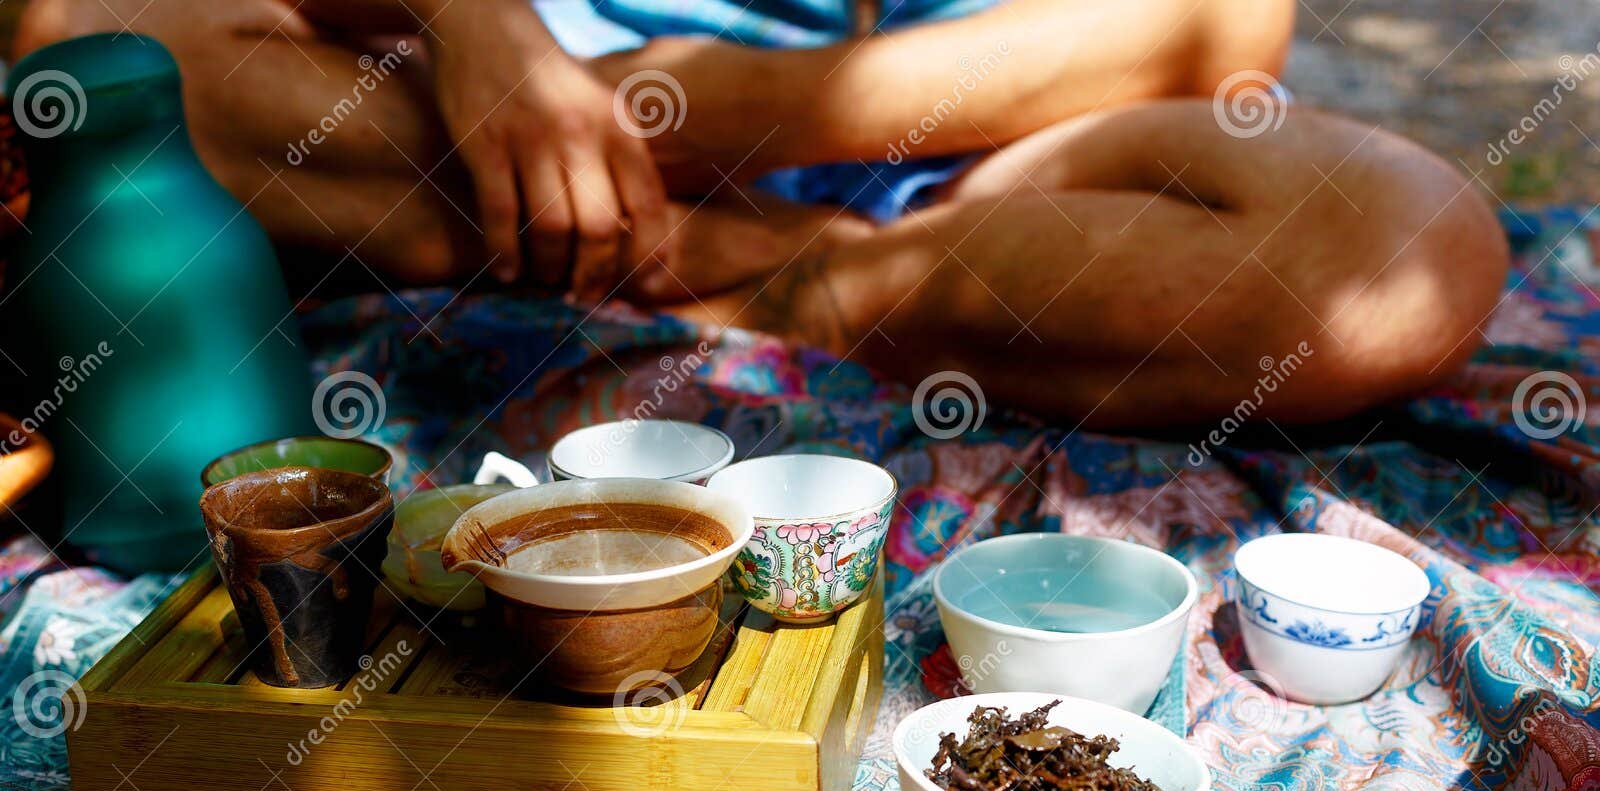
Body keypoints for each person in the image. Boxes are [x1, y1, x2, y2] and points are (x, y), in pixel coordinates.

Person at [15, 0, 1510, 427]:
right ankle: (731, 258)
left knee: (1402, 256)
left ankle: (783, 273)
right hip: (478, 114)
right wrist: (482, 32)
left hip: (980, 148)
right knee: (101, 50)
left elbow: (1217, 29)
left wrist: (686, 108)